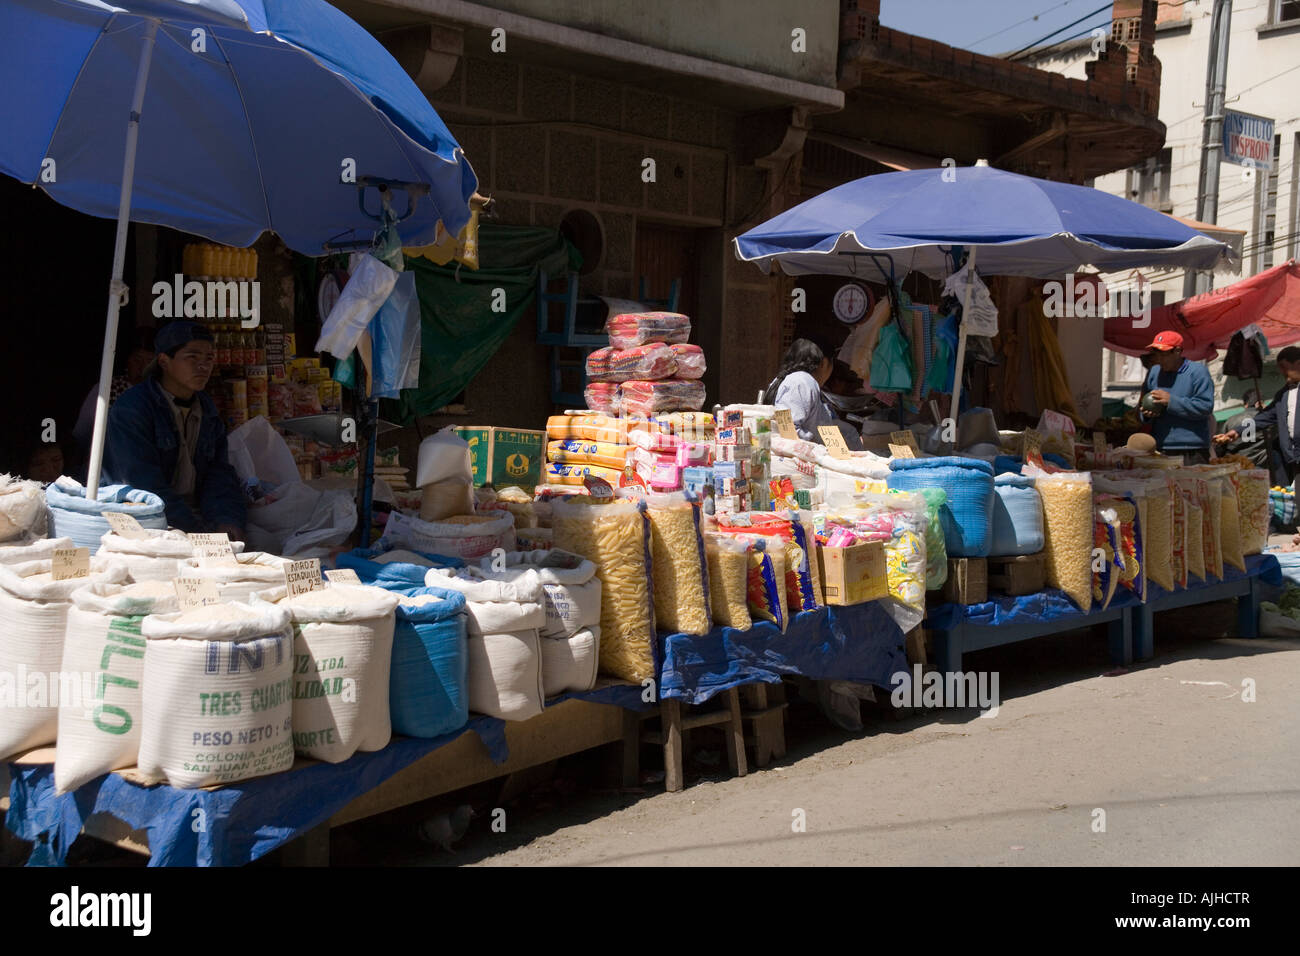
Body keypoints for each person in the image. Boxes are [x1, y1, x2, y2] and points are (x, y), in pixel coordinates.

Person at [104, 320, 246, 539]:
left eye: (208, 358)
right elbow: (144, 487)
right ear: (164, 361)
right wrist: (199, 533)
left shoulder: (207, 409)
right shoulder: (133, 408)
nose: (203, 366)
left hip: (194, 514)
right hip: (144, 517)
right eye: (192, 357)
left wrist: (225, 520)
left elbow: (219, 474)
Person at [73, 326, 156, 477]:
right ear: (127, 360)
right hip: (108, 472)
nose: (143, 367)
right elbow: (81, 433)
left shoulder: (159, 394)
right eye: (137, 359)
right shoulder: (106, 389)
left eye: (149, 361)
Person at [1215, 345, 1300, 485]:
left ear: (1298, 364)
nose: (1281, 372)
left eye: (1284, 367)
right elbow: (1265, 417)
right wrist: (1237, 431)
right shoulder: (1283, 395)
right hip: (1294, 459)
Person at [768, 339, 863, 449]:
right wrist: (819, 447)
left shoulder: (798, 380)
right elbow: (788, 429)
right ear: (824, 363)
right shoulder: (801, 381)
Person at [1138, 331, 1214, 464]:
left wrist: (1171, 401)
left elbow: (1205, 407)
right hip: (1160, 448)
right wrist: (1146, 414)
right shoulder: (1153, 373)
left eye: (1164, 354)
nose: (1159, 358)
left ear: (1177, 351)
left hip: (1191, 450)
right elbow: (1141, 406)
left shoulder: (1198, 372)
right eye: (1156, 353)